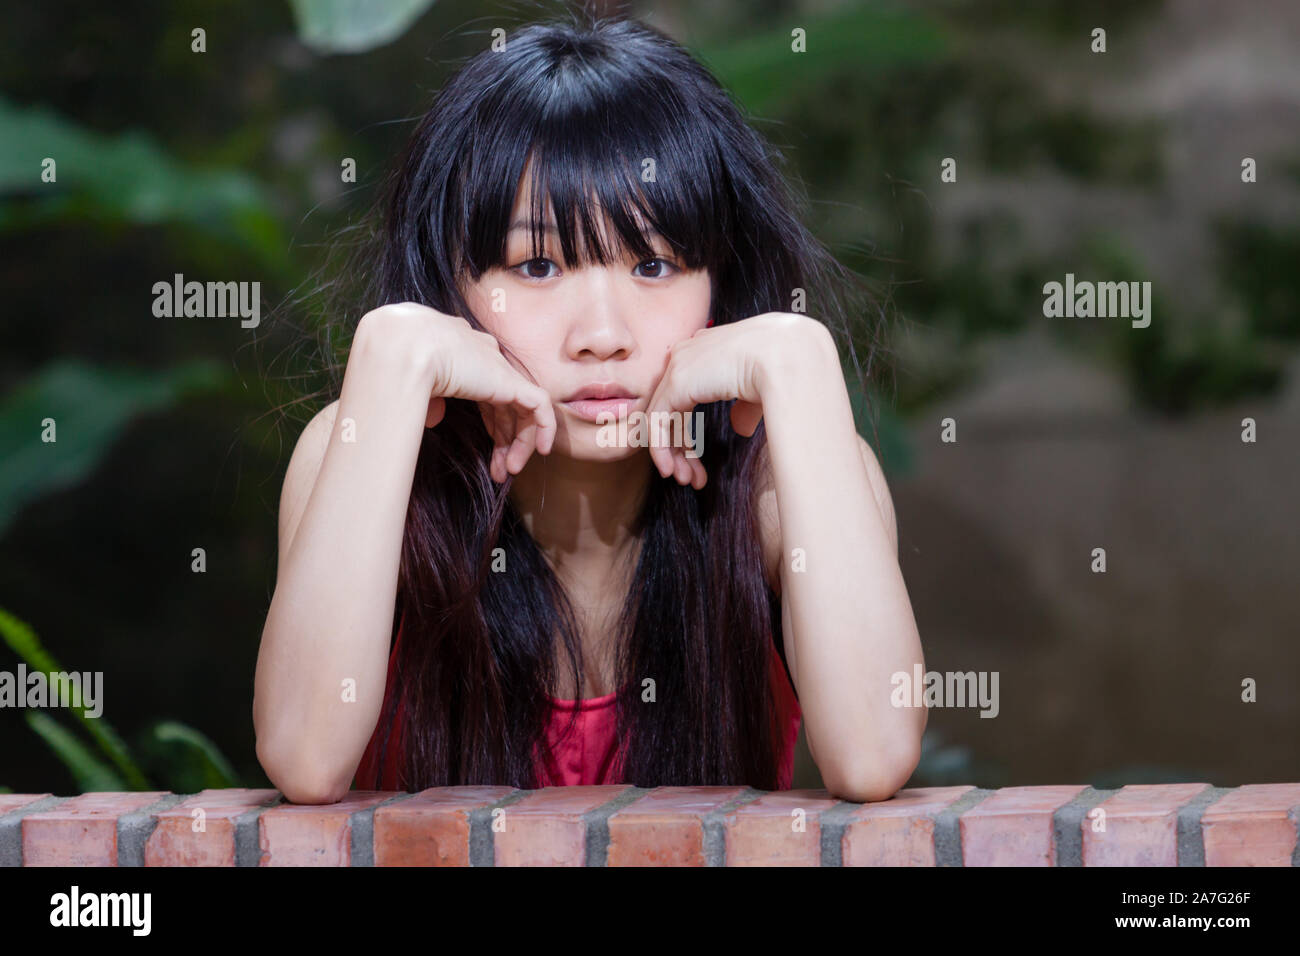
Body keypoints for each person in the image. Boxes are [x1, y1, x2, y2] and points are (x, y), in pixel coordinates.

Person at [253, 11, 926, 805]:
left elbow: (873, 756)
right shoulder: (365, 453)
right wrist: (388, 364)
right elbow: (303, 754)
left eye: (653, 264)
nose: (602, 336)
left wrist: (803, 368)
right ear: (453, 287)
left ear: (719, 282)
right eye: (537, 265)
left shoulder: (786, 477)